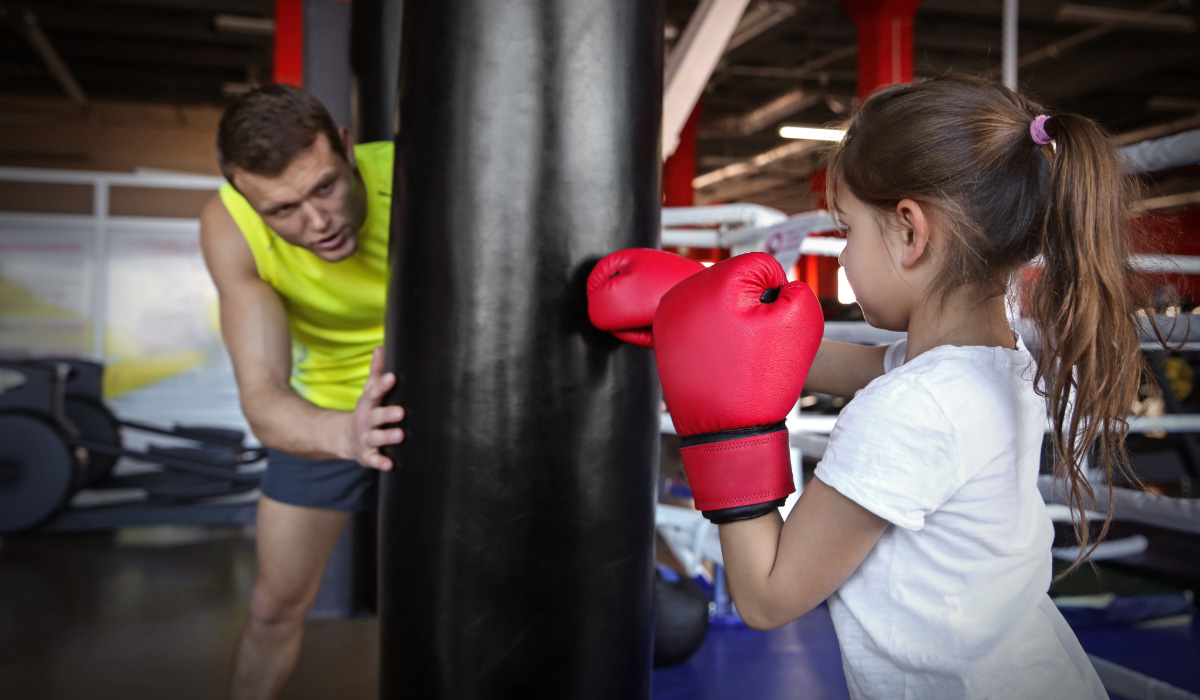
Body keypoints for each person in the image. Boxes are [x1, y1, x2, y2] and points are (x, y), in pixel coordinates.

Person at [650, 74, 1157, 699]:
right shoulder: (994, 364)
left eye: (847, 230)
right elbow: (841, 366)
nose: (840, 255)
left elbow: (766, 596)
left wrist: (725, 427)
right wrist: (702, 321)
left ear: (912, 233)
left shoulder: (911, 410)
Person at [198, 84, 403, 700]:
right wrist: (345, 432)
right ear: (245, 198)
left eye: (325, 187)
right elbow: (262, 395)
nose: (318, 223)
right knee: (274, 606)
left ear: (345, 148)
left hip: (449, 402)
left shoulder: (416, 170)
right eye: (282, 210)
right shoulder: (229, 228)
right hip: (329, 415)